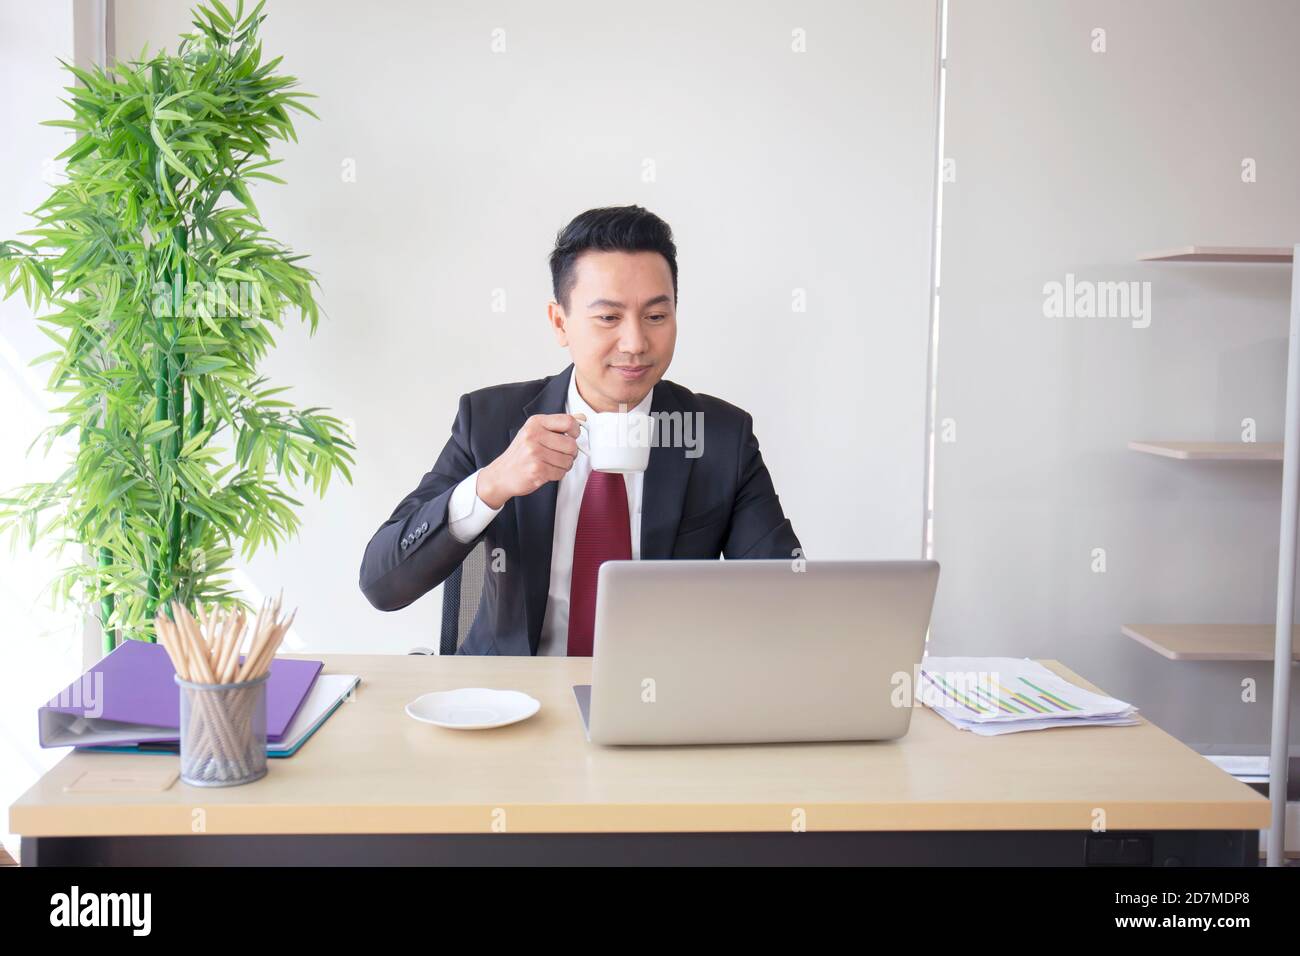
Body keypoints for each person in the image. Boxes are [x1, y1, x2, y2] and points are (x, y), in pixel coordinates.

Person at [358, 205, 801, 655]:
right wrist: (491, 484)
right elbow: (382, 584)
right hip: (512, 700)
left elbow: (787, 600)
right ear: (560, 322)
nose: (635, 343)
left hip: (658, 702)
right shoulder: (492, 421)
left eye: (655, 317)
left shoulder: (720, 437)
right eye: (608, 318)